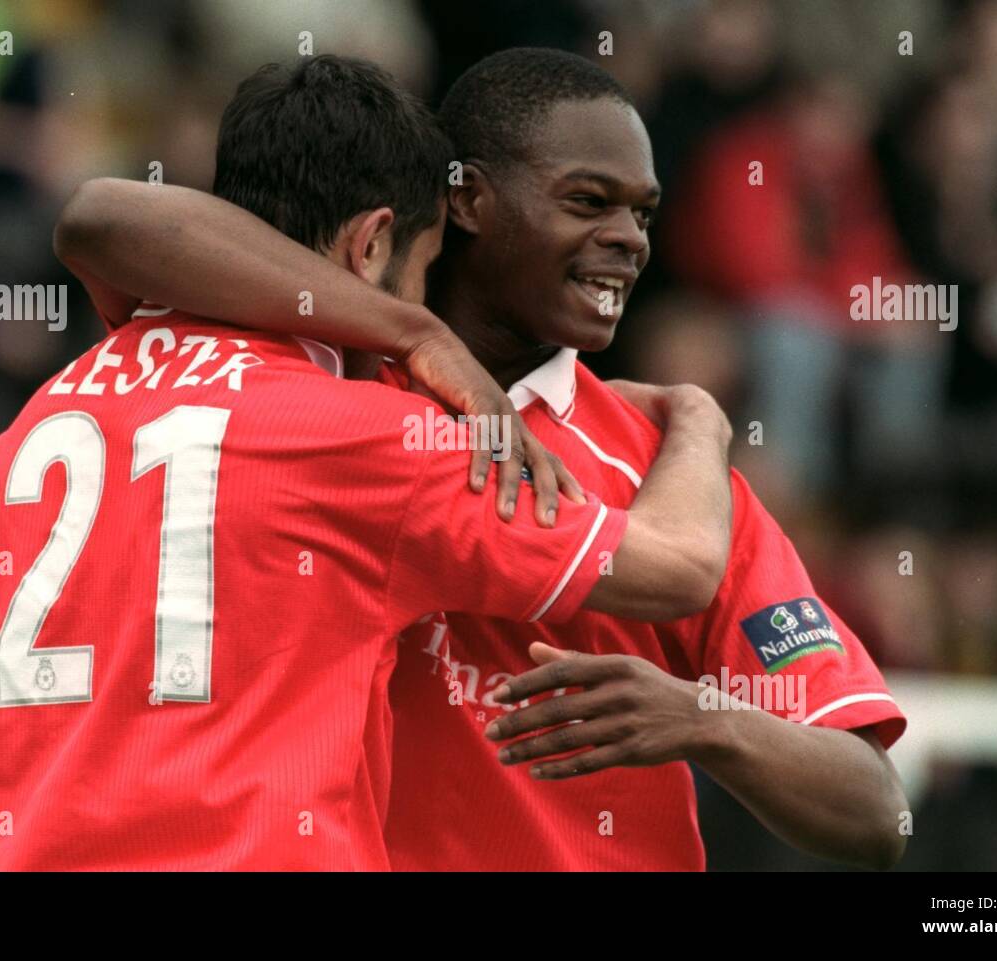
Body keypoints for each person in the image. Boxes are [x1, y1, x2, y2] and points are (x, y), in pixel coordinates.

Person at [55, 49, 909, 870]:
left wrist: (702, 715)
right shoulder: (324, 378)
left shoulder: (666, 475)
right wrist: (418, 335)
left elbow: (878, 811)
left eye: (642, 213)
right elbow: (105, 219)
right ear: (464, 199)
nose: (629, 240)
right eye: (588, 202)